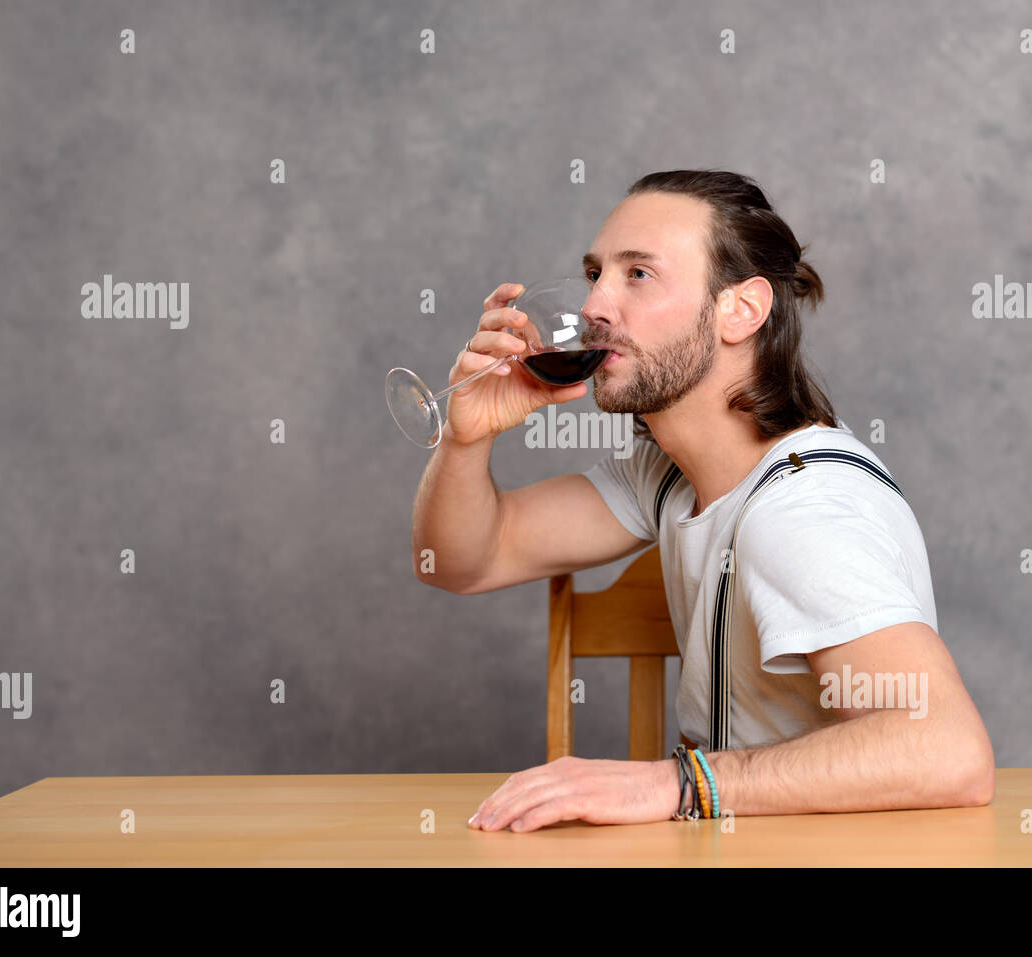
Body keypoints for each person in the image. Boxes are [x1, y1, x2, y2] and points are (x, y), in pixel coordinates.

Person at [412, 168, 994, 832]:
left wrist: (672, 784)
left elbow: (951, 750)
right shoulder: (669, 474)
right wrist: (465, 439)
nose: (597, 305)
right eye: (596, 273)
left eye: (638, 275)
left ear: (741, 310)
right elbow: (460, 561)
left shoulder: (802, 512)